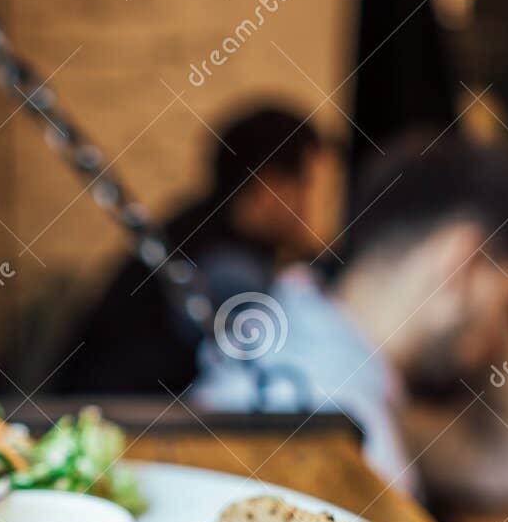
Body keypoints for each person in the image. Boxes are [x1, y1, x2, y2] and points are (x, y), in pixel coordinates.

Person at [195, 132, 508, 507]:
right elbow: (506, 465)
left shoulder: (299, 328)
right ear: (465, 263)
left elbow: (502, 466)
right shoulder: (358, 439)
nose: (503, 334)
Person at [57, 103, 339, 395]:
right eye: (307, 186)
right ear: (268, 187)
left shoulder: (194, 230)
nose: (316, 208)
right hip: (116, 423)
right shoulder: (228, 271)